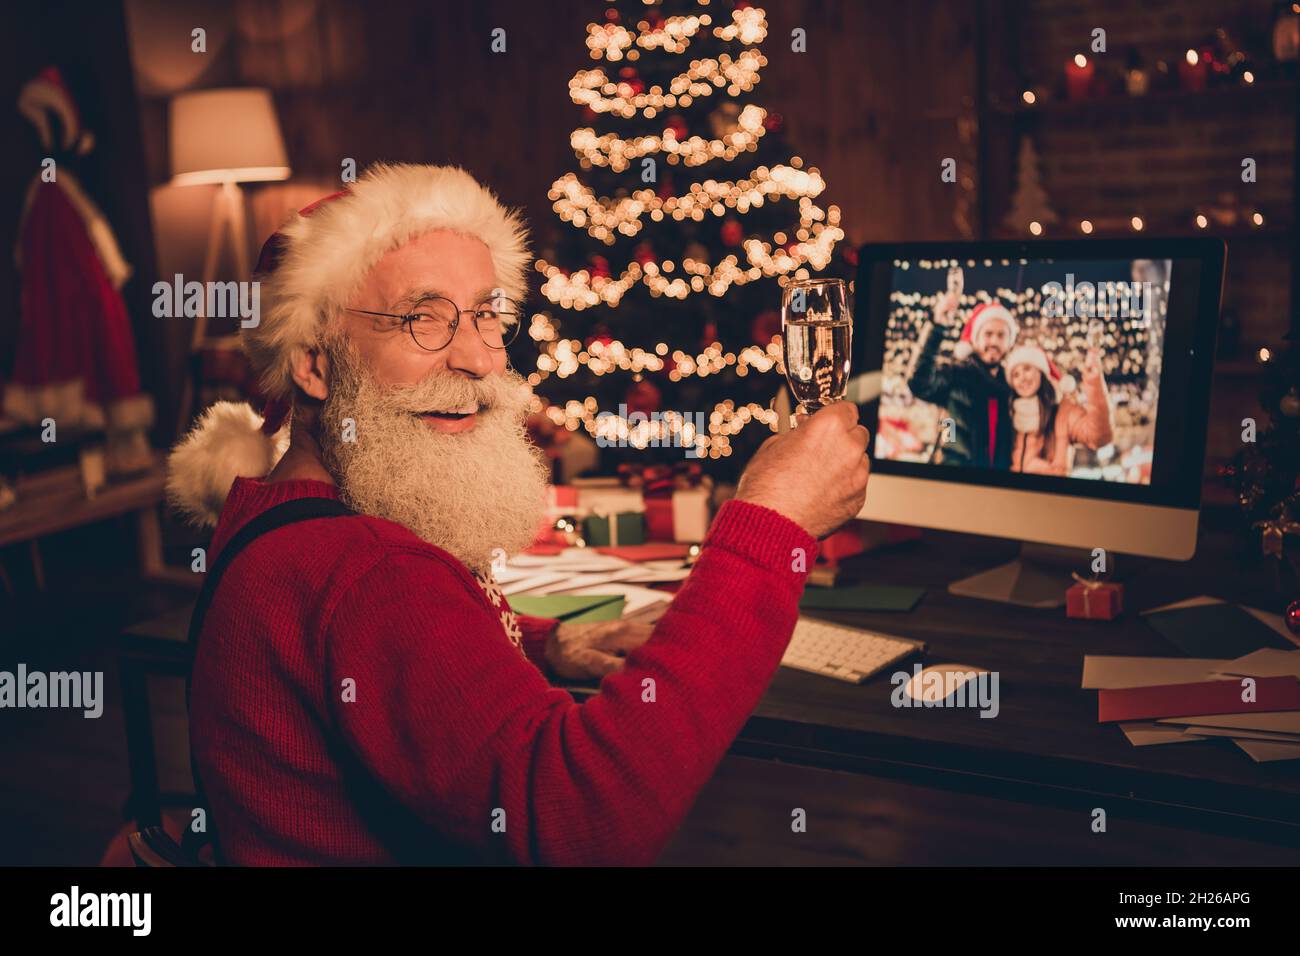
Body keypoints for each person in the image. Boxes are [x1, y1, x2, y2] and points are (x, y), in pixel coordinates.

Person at [165, 163, 870, 865]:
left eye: (487, 315)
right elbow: (585, 819)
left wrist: (535, 644)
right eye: (422, 319)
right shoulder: (372, 572)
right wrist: (770, 522)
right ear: (313, 365)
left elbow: (377, 669)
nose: (477, 358)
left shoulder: (274, 518)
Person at [906, 270, 1017, 469]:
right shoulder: (956, 374)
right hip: (954, 482)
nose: (994, 341)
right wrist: (936, 326)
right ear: (975, 339)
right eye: (988, 334)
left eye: (1001, 335)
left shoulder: (1010, 386)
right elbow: (918, 381)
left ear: (1009, 342)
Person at [1004, 343, 1113, 476]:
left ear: (1041, 372)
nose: (1022, 378)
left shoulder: (1063, 410)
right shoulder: (1010, 414)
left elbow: (1099, 437)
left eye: (1027, 369)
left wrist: (1093, 382)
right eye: (1015, 375)